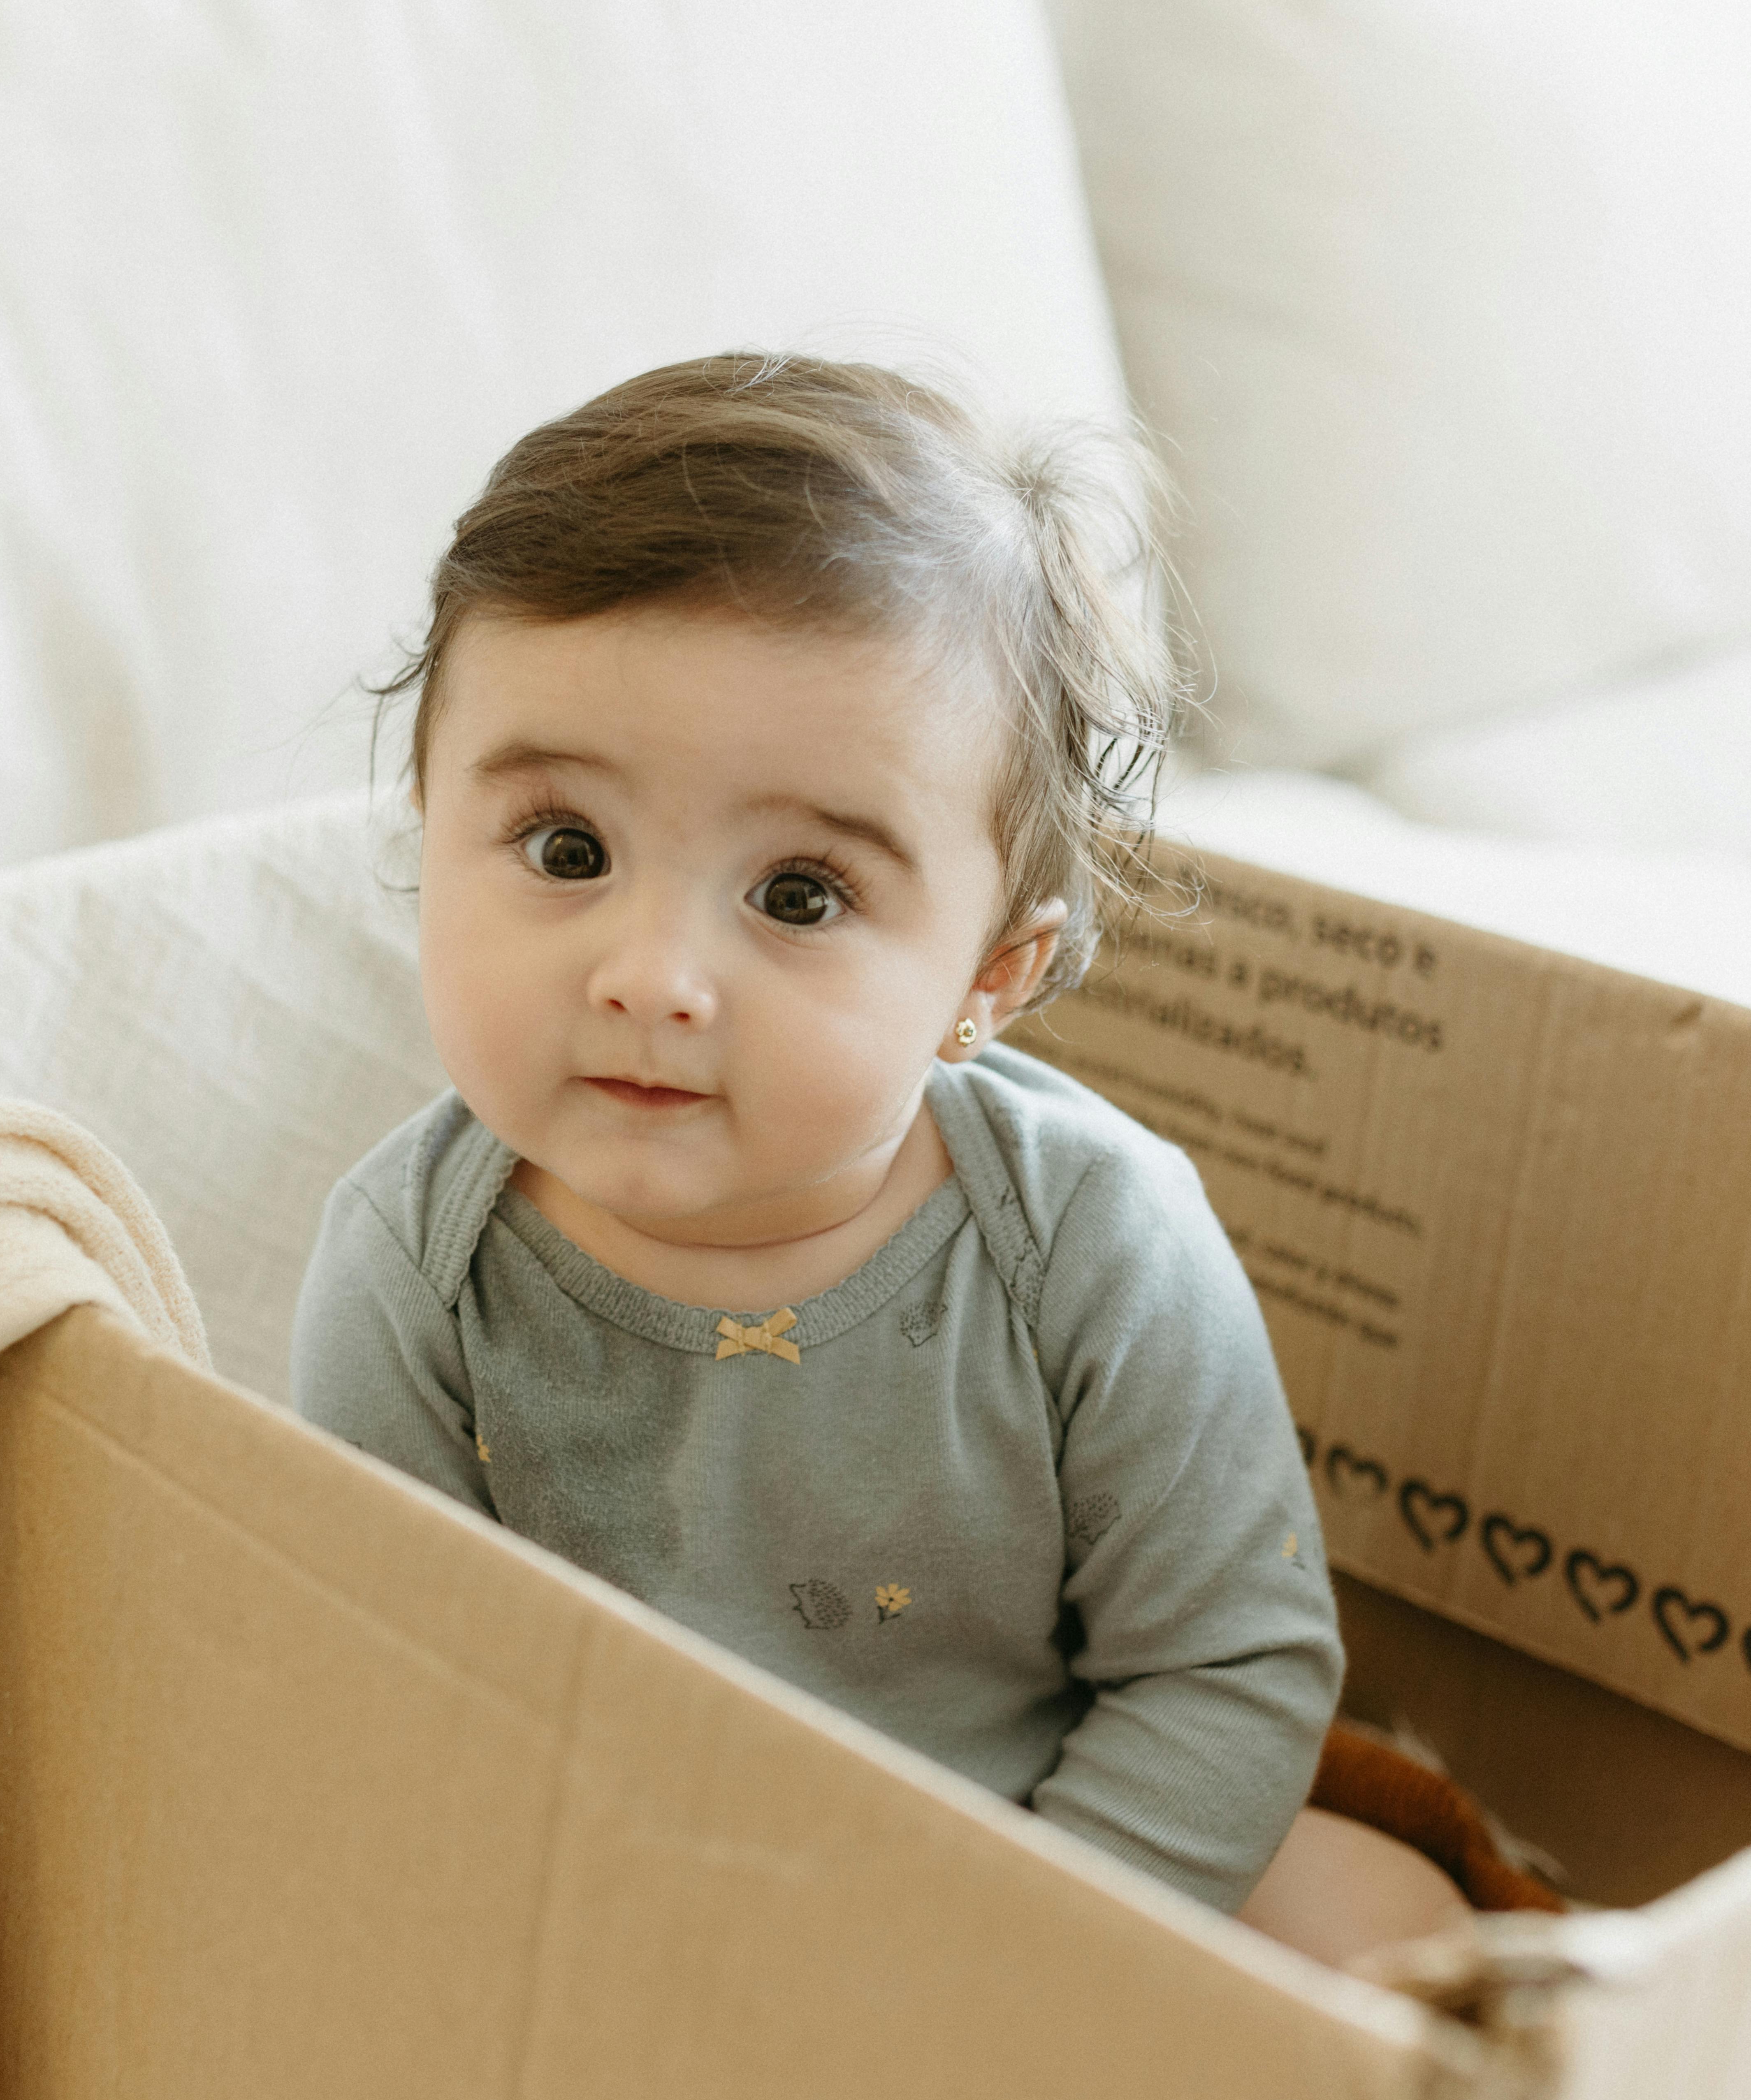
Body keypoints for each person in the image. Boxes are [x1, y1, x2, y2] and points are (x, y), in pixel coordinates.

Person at [290, 351, 1475, 1957]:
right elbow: (395, 1696)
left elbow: (1222, 1664)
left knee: (1393, 1919)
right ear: (422, 837)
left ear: (988, 977)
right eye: (567, 849)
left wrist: (1008, 1970)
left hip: (1039, 1852)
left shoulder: (1093, 1240)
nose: (649, 972)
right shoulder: (411, 1271)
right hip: (616, 1897)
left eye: (797, 894)